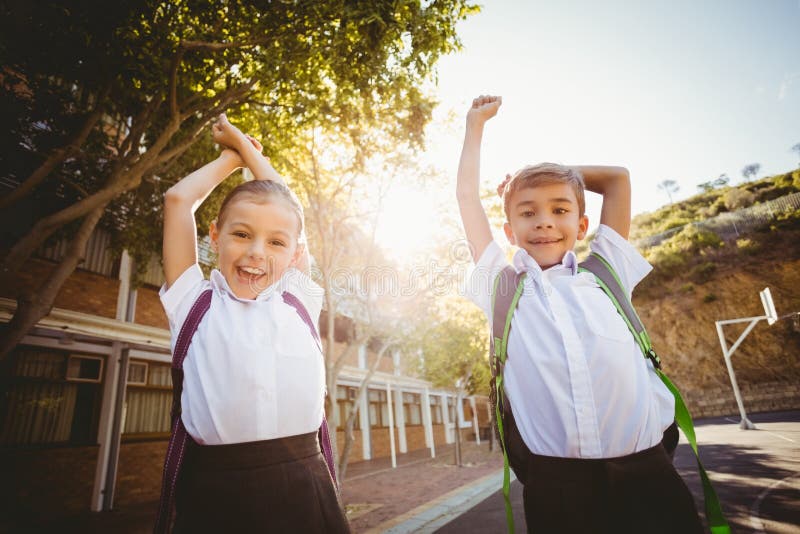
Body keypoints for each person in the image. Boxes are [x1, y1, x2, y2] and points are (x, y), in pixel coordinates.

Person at [457, 95, 703, 533]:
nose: (544, 221)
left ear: (582, 226)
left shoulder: (607, 271)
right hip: (558, 487)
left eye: (560, 209)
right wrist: (475, 126)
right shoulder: (501, 285)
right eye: (528, 213)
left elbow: (617, 179)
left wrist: (558, 175)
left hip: (647, 474)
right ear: (510, 232)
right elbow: (467, 200)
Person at [156, 114, 350, 533]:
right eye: (241, 234)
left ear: (296, 252)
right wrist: (233, 157)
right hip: (216, 494)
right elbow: (177, 200)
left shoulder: (299, 298)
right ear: (214, 235)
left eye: (276, 242)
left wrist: (246, 147)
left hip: (306, 487)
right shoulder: (193, 304)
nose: (257, 252)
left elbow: (289, 207)